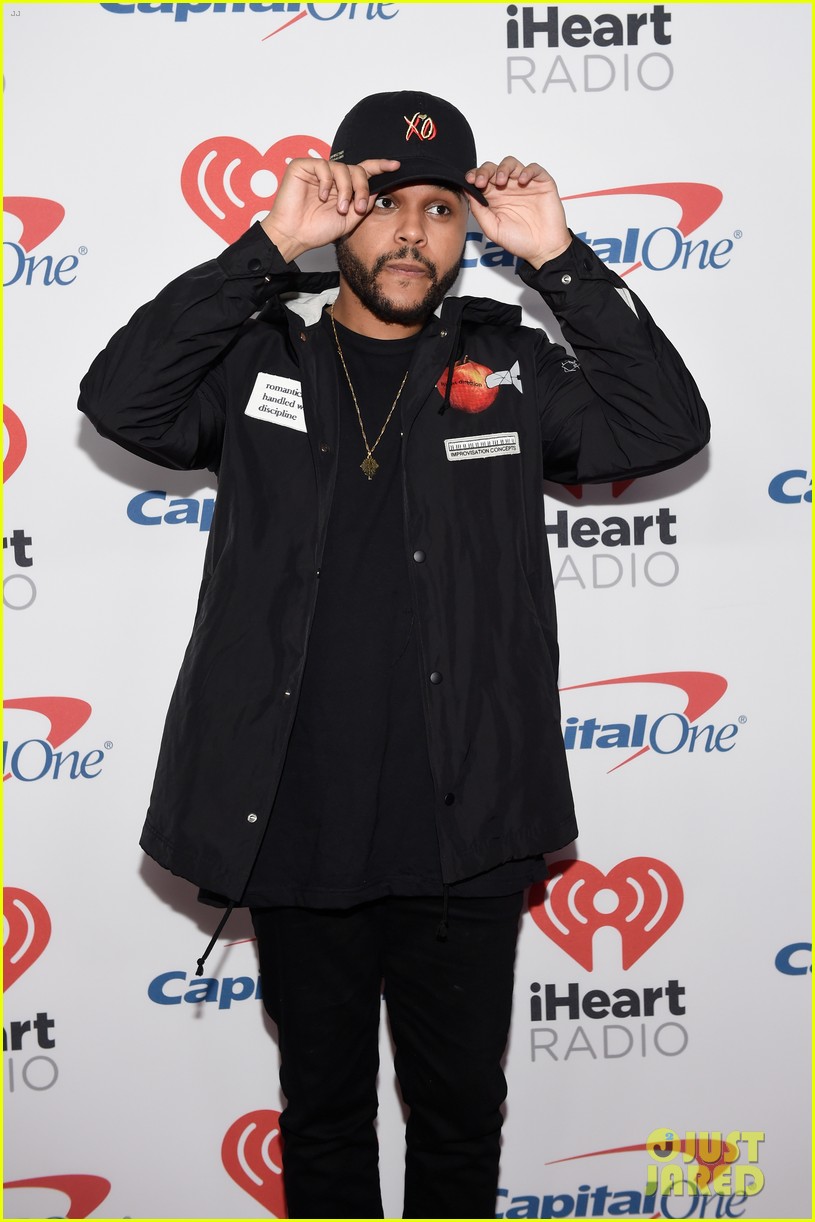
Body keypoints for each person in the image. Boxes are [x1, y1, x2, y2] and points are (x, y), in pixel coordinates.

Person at [78, 90, 709, 1219]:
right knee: (322, 1120)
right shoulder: (255, 351)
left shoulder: (509, 363)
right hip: (298, 817)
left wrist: (560, 260)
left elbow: (665, 430)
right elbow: (120, 401)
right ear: (340, 216)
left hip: (466, 832)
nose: (411, 234)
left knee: (458, 1120)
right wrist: (267, 246)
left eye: (438, 209)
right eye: (382, 206)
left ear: (468, 230)